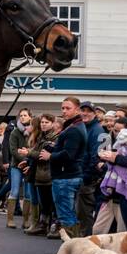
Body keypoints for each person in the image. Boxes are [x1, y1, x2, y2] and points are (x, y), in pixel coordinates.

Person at [40, 96, 87, 238]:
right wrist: (56, 147)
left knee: (66, 215)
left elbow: (69, 154)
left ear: (77, 110)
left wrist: (50, 156)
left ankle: (71, 252)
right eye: (63, 108)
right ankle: (73, 251)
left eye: (68, 108)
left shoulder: (74, 129)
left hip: (65, 178)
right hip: (68, 176)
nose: (64, 111)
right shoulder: (74, 126)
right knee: (68, 214)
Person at [23, 113, 59, 235]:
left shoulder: (54, 137)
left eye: (46, 122)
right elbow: (37, 155)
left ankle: (51, 226)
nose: (43, 124)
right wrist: (28, 164)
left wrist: (28, 153)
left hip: (49, 174)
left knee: (50, 202)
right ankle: (42, 225)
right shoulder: (41, 137)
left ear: (52, 124)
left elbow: (42, 155)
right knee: (44, 203)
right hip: (40, 174)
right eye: (42, 122)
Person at [77, 100, 107, 235]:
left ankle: (86, 246)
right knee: (80, 214)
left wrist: (86, 177)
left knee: (85, 216)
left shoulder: (99, 131)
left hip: (88, 180)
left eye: (88, 111)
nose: (85, 113)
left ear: (95, 114)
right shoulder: (82, 127)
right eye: (82, 110)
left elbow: (97, 157)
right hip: (79, 176)